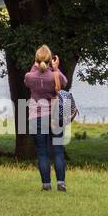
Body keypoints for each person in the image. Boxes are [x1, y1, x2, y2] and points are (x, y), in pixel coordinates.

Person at [24, 45, 69, 191]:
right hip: (55, 116)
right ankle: (61, 183)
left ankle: (46, 185)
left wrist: (36, 65)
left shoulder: (30, 76)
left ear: (36, 60)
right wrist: (55, 68)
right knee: (58, 150)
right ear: (51, 60)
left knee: (42, 152)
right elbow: (65, 82)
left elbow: (28, 80)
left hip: (37, 117)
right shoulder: (55, 75)